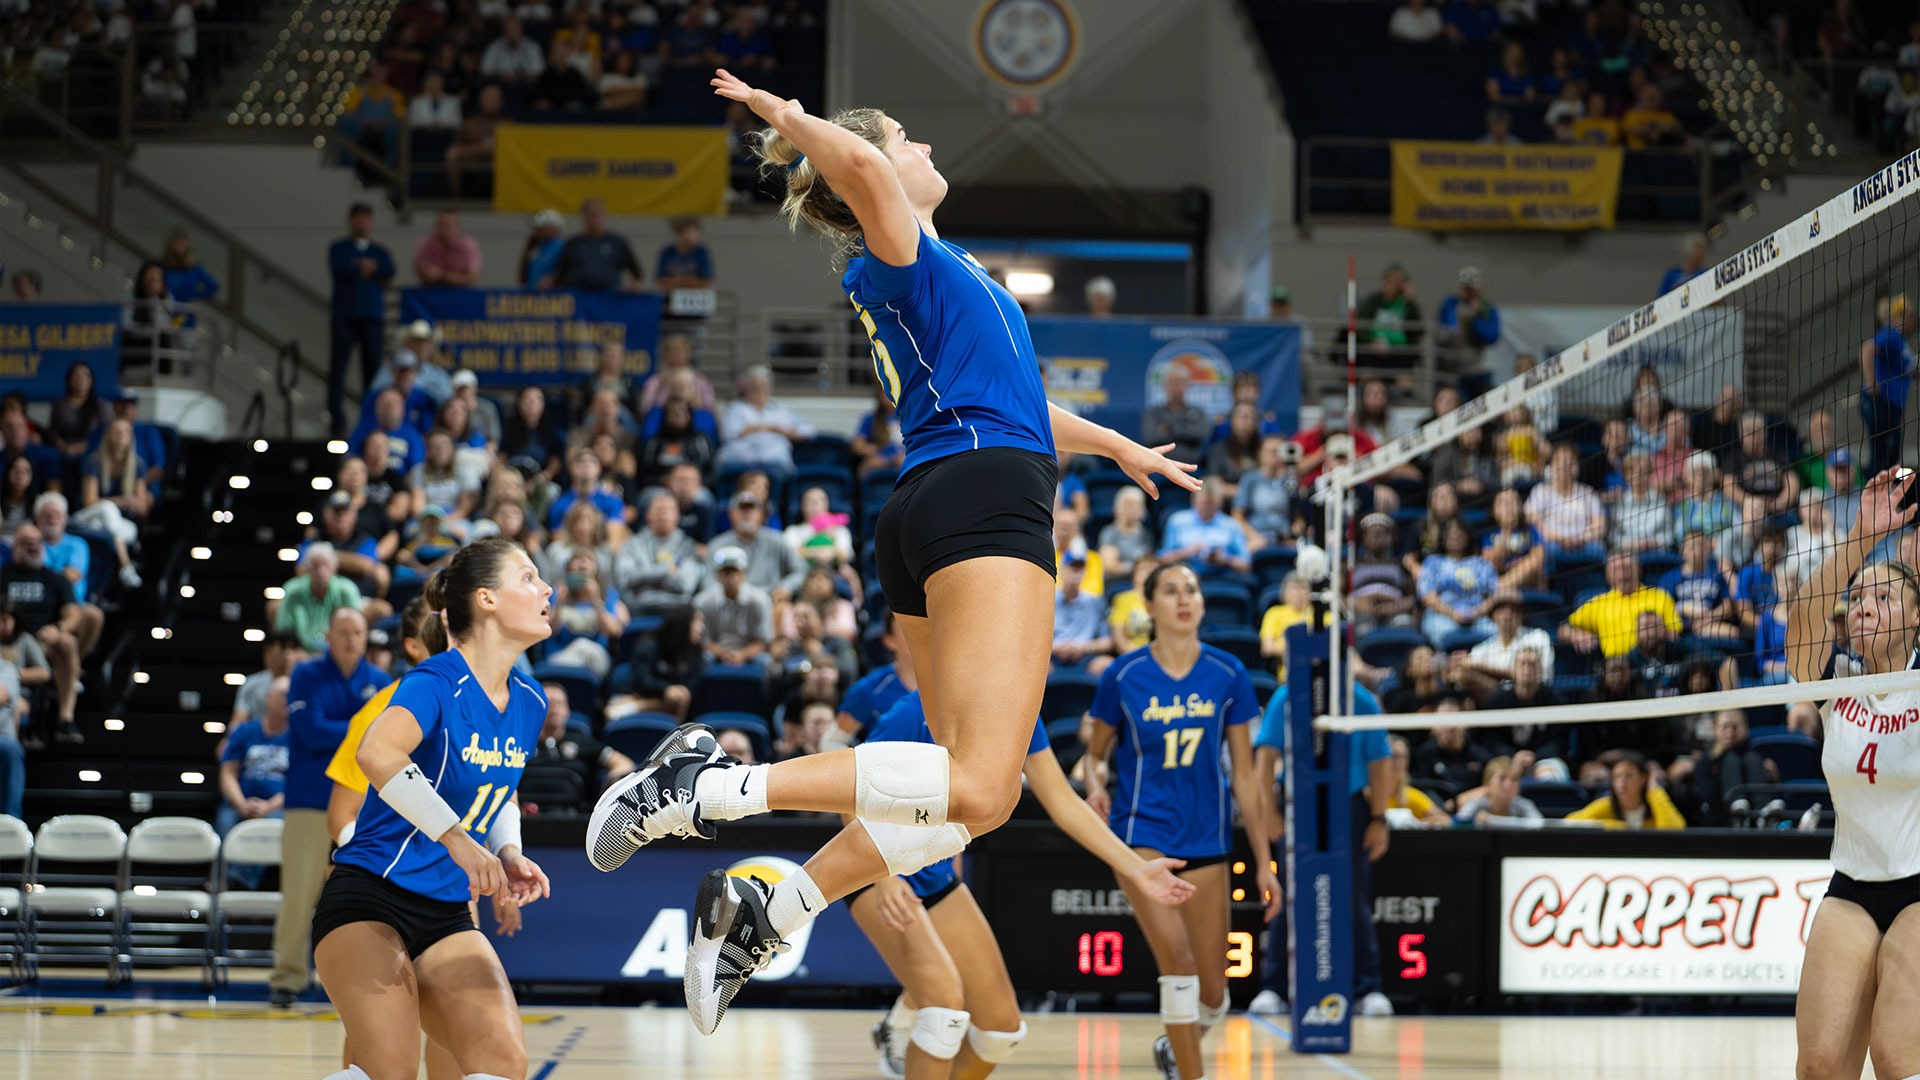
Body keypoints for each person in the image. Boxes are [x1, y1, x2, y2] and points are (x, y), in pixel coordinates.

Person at [583, 68, 1199, 1036]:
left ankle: (768, 912)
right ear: (864, 167)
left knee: (966, 801)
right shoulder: (897, 246)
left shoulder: (936, 269)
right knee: (984, 785)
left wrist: (1118, 445)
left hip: (936, 503)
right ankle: (705, 789)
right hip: (984, 499)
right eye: (906, 138)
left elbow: (1017, 401)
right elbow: (866, 168)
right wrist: (790, 118)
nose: (923, 149)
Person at [855, 681, 1194, 1078]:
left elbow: (1062, 800)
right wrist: (884, 880)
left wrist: (1135, 867)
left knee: (1000, 1031)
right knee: (943, 1011)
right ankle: (898, 1025)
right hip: (877, 869)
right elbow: (854, 793)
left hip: (932, 875)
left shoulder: (1019, 714)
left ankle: (900, 1028)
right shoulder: (912, 711)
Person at [315, 540, 552, 1079]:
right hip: (371, 894)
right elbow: (376, 752)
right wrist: (458, 840)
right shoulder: (435, 680)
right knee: (389, 1071)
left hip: (447, 909)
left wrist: (506, 850)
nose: (546, 589)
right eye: (528, 577)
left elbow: (500, 789)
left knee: (503, 1063)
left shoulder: (531, 699)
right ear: (486, 599)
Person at [1080, 562, 1278, 1077]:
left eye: (1191, 590)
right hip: (1141, 834)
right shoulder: (1123, 675)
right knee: (1180, 967)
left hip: (1207, 837)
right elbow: (1095, 756)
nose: (1184, 599)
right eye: (1170, 591)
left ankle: (1175, 1048)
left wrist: (1264, 860)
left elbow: (1245, 777)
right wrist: (1096, 784)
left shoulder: (1228, 673)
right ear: (1149, 606)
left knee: (1214, 996)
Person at [1782, 466, 1920, 1078]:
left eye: (1884, 598)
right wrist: (1860, 538)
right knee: (1819, 1066)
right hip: (1854, 884)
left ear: (1917, 618)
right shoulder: (1838, 681)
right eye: (1859, 597)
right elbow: (1802, 627)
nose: (1864, 606)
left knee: (1895, 1057)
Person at [1249, 668, 1393, 1018]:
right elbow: (1265, 757)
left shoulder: (1361, 699)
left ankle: (1367, 988)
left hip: (1349, 805)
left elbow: (1380, 762)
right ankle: (1274, 987)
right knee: (1287, 893)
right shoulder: (1287, 696)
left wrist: (1379, 818)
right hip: (1298, 802)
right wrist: (1269, 811)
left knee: (1354, 897)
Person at [273, 607, 391, 1008]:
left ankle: (350, 981)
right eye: (343, 632)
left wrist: (350, 731)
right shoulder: (306, 675)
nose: (351, 639)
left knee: (357, 897)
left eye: (357, 632)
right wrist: (361, 729)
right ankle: (287, 978)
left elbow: (385, 740)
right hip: (309, 802)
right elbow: (310, 731)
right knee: (299, 894)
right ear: (329, 635)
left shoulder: (380, 681)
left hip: (363, 807)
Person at [327, 203, 396, 438]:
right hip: (345, 316)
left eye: (366, 218)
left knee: (372, 371)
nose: (362, 223)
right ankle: (337, 421)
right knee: (338, 370)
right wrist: (366, 268)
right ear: (351, 220)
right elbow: (341, 268)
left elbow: (388, 270)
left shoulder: (379, 251)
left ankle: (371, 419)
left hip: (372, 317)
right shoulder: (339, 247)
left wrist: (365, 267)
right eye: (358, 218)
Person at [217, 675, 290, 837]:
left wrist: (269, 806)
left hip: (279, 806)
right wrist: (242, 804)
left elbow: (298, 782)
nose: (289, 700)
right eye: (284, 695)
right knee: (226, 823)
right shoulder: (244, 731)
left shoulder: (299, 737)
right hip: (240, 803)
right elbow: (228, 773)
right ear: (268, 699)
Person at [1860, 294, 1918, 479]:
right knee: (1882, 452)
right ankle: (1874, 489)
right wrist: (1872, 383)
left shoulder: (1901, 343)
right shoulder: (1891, 335)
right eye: (1909, 316)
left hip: (1892, 405)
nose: (1913, 321)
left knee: (1890, 453)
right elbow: (1867, 349)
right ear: (1898, 317)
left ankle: (1881, 488)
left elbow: (1912, 370)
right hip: (1881, 402)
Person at [1565, 751, 1685, 828]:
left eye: (1628, 775)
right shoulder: (1607, 804)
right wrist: (1620, 827)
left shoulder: (1656, 805)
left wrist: (1654, 790)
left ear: (1643, 778)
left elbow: (1675, 829)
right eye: (1617, 776)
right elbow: (1570, 822)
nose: (1622, 781)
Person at [546, 196, 642, 292]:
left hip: (608, 297)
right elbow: (559, 273)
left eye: (598, 213)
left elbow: (636, 272)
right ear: (584, 217)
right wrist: (549, 281)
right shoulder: (573, 244)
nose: (594, 218)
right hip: (579, 296)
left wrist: (634, 285)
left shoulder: (617, 242)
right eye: (591, 214)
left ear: (604, 215)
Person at [1454, 756, 1542, 825]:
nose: (1508, 785)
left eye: (1514, 779)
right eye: (1502, 778)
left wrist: (1491, 820)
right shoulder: (1476, 804)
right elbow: (1459, 824)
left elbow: (1540, 827)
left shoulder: (1525, 805)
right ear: (1488, 782)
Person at [656, 216, 715, 289]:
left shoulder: (701, 252)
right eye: (688, 231)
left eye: (695, 231)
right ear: (679, 233)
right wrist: (690, 280)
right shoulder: (667, 252)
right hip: (672, 294)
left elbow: (705, 282)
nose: (691, 235)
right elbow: (661, 282)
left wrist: (677, 280)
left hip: (697, 294)